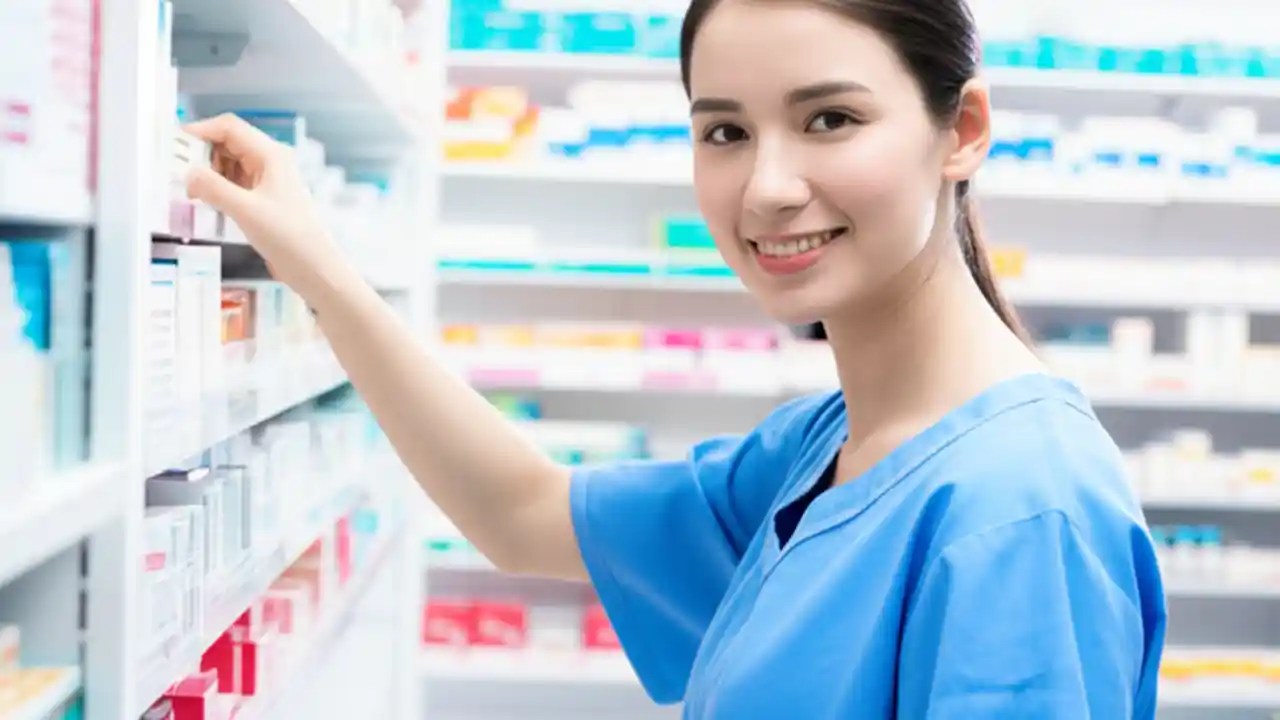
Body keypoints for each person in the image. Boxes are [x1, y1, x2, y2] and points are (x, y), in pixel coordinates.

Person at [185, 0, 1167, 715]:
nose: (767, 187)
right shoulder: (827, 448)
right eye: (725, 131)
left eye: (829, 119)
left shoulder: (1018, 512)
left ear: (963, 131)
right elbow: (525, 515)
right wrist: (313, 265)